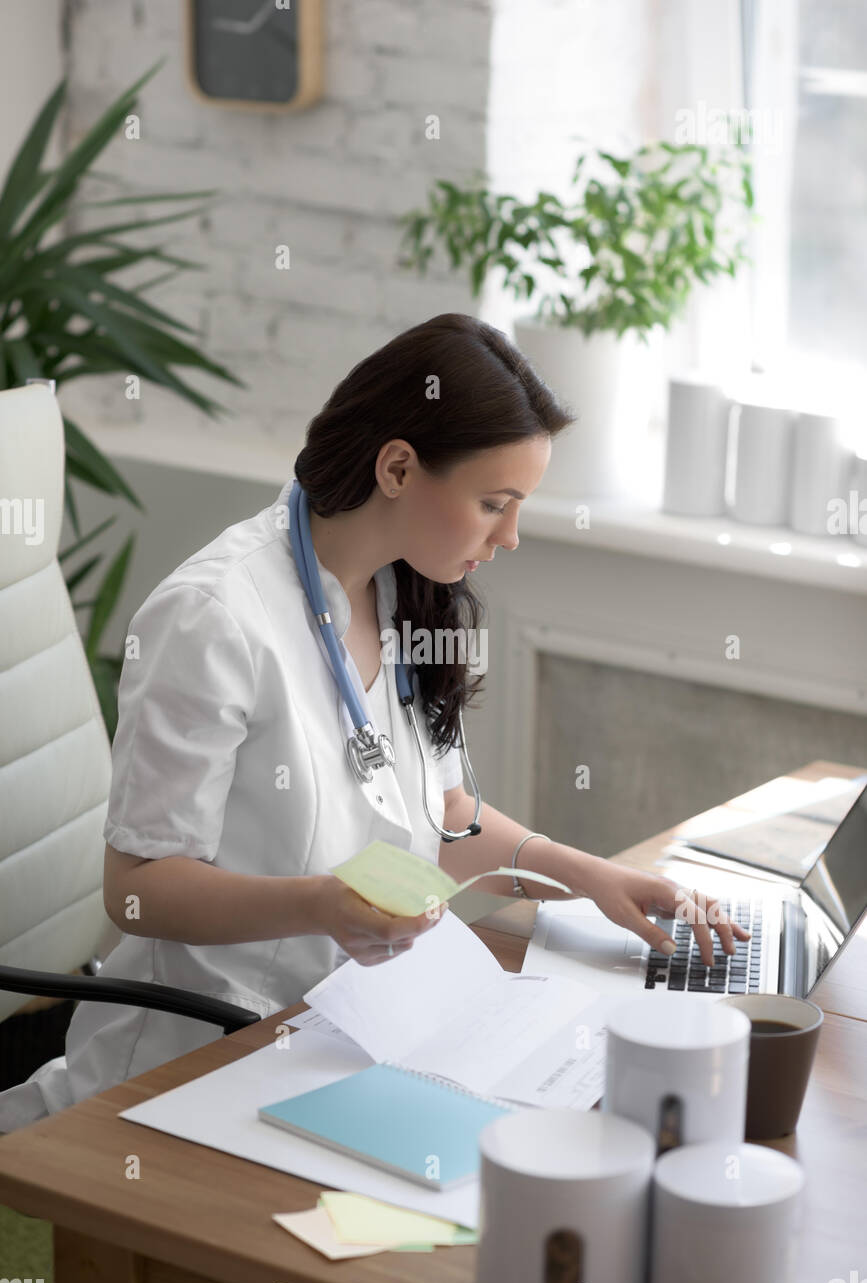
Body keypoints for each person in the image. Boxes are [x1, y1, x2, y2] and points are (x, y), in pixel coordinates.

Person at [0, 312, 744, 1132]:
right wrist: (322, 904)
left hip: (345, 1027)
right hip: (199, 1056)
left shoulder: (409, 594)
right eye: (493, 503)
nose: (511, 536)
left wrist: (590, 880)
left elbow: (448, 816)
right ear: (397, 467)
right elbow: (139, 893)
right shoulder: (213, 616)